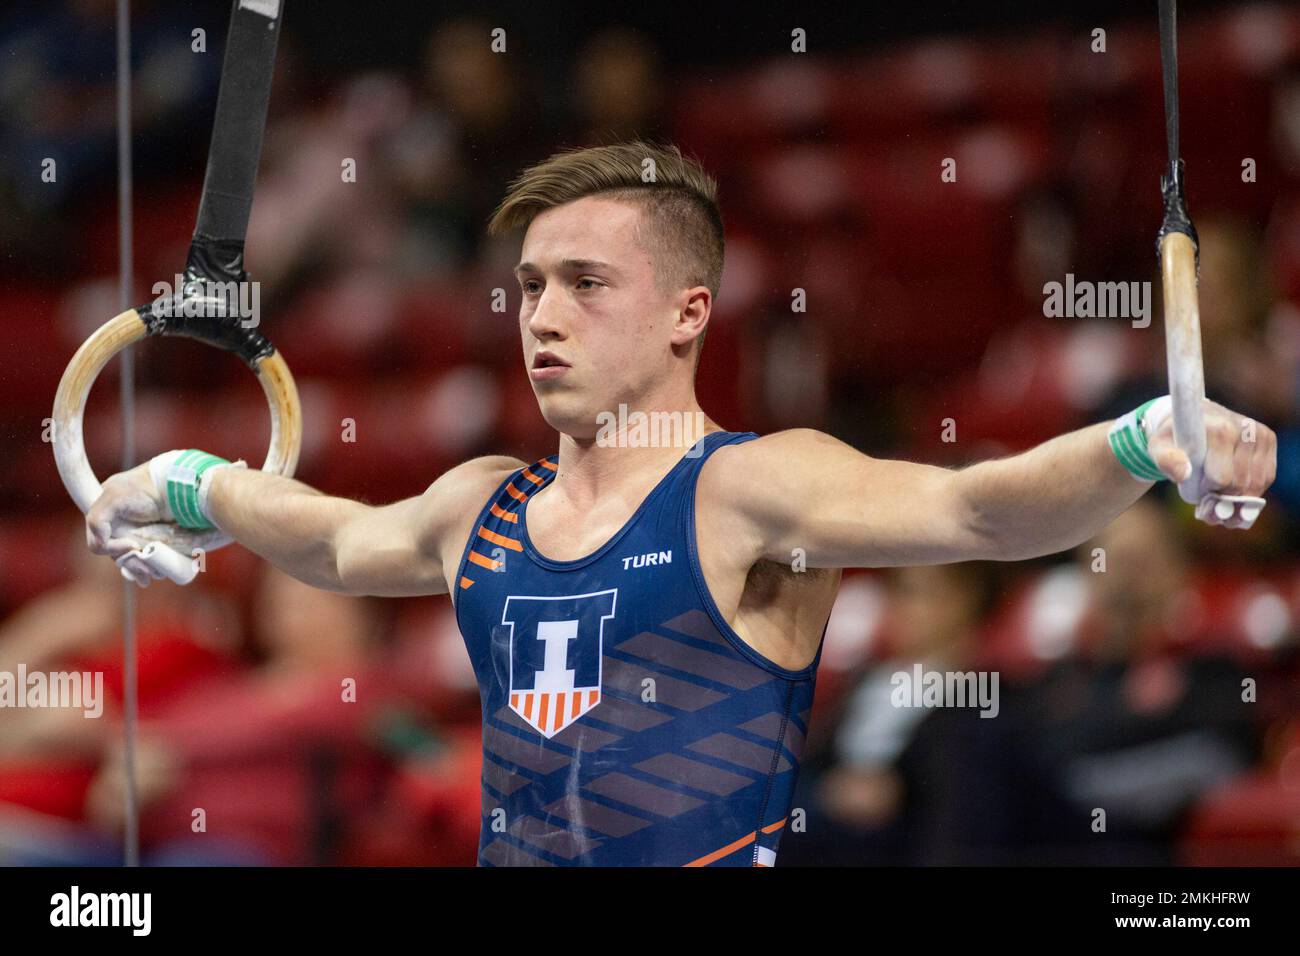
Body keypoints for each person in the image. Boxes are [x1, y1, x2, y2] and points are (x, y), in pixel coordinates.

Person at [84, 141, 1277, 866]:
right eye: (529, 287)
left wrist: (1137, 438)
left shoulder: (746, 487)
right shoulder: (480, 504)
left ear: (687, 313)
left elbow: (976, 512)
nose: (540, 316)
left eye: (585, 284)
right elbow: (339, 541)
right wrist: (194, 479)